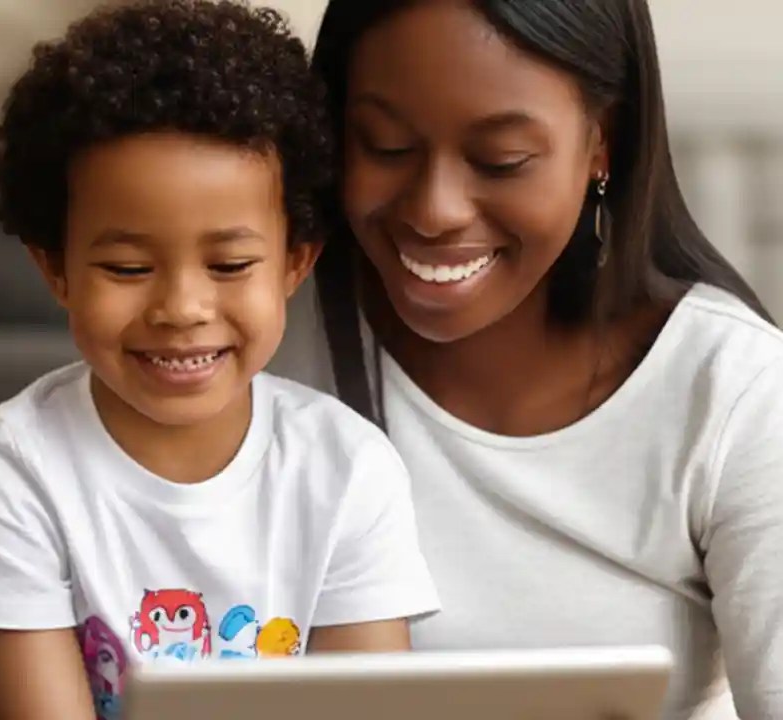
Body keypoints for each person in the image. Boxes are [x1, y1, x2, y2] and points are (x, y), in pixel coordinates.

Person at [0, 2, 441, 719]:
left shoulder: (348, 469)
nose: (181, 308)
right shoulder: (14, 469)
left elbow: (367, 707)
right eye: (129, 268)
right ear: (56, 268)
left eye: (229, 264)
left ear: (294, 263)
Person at [304, 1, 783, 718]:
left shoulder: (733, 391)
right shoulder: (244, 351)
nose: (435, 210)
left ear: (602, 145)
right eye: (386, 146)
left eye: (502, 161)